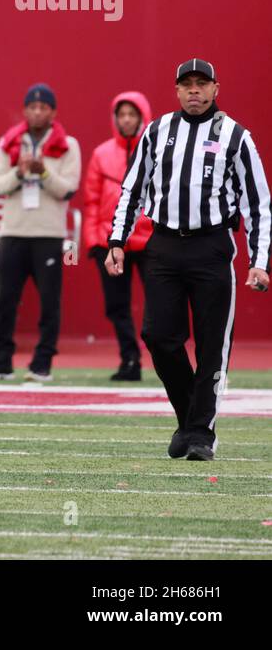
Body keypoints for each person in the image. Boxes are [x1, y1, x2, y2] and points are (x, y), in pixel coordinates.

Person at [107, 58, 270, 461]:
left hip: (212, 248)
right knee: (159, 336)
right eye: (187, 85)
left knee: (213, 344)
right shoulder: (157, 131)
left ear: (216, 89)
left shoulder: (236, 136)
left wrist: (260, 260)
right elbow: (133, 189)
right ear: (177, 90)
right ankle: (189, 416)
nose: (194, 91)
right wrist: (117, 241)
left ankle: (201, 434)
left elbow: (258, 205)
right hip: (164, 245)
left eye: (202, 84)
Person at [0, 83, 81, 382]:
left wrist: (44, 173)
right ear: (25, 110)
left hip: (48, 234)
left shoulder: (68, 144)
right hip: (13, 231)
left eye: (44, 107)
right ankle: (1, 362)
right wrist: (19, 173)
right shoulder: (10, 141)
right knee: (6, 300)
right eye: (32, 107)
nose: (38, 112)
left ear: (53, 112)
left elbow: (68, 189)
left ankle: (42, 363)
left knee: (49, 302)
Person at [82, 91, 153, 381]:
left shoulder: (156, 151)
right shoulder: (101, 154)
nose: (126, 120)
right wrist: (92, 241)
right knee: (117, 305)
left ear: (142, 117)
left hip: (150, 241)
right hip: (110, 242)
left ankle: (162, 357)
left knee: (160, 303)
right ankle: (130, 359)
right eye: (121, 114)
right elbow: (91, 201)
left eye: (131, 114)